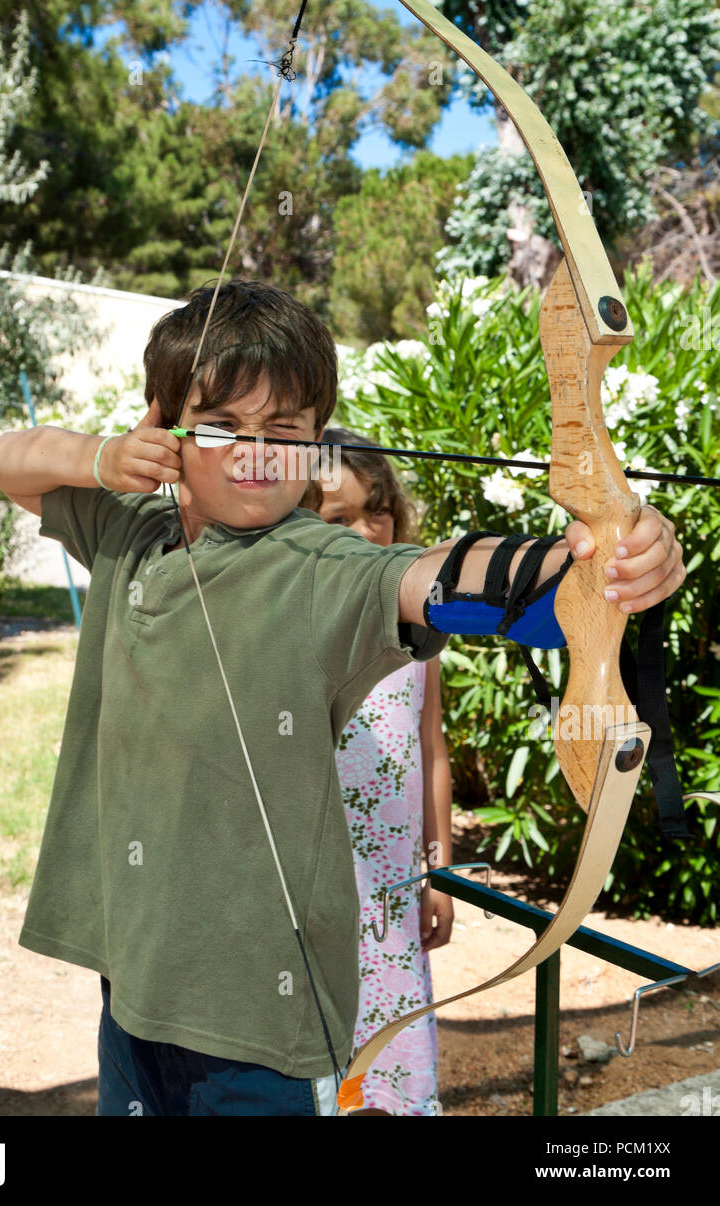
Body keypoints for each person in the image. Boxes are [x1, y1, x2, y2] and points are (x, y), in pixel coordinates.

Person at [0, 279, 685, 1117]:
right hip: (134, 983)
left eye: (284, 432)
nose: (254, 453)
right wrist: (101, 458)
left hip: (262, 1027)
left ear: (316, 441)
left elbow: (448, 577)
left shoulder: (324, 569)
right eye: (221, 426)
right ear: (165, 428)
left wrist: (605, 563)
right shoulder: (130, 529)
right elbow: (2, 459)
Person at [302, 430, 451, 1117]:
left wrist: (437, 870)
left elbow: (432, 748)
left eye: (378, 510)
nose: (365, 532)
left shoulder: (421, 628)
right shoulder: (296, 622)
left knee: (392, 1074)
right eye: (338, 519)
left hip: (394, 897)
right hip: (313, 898)